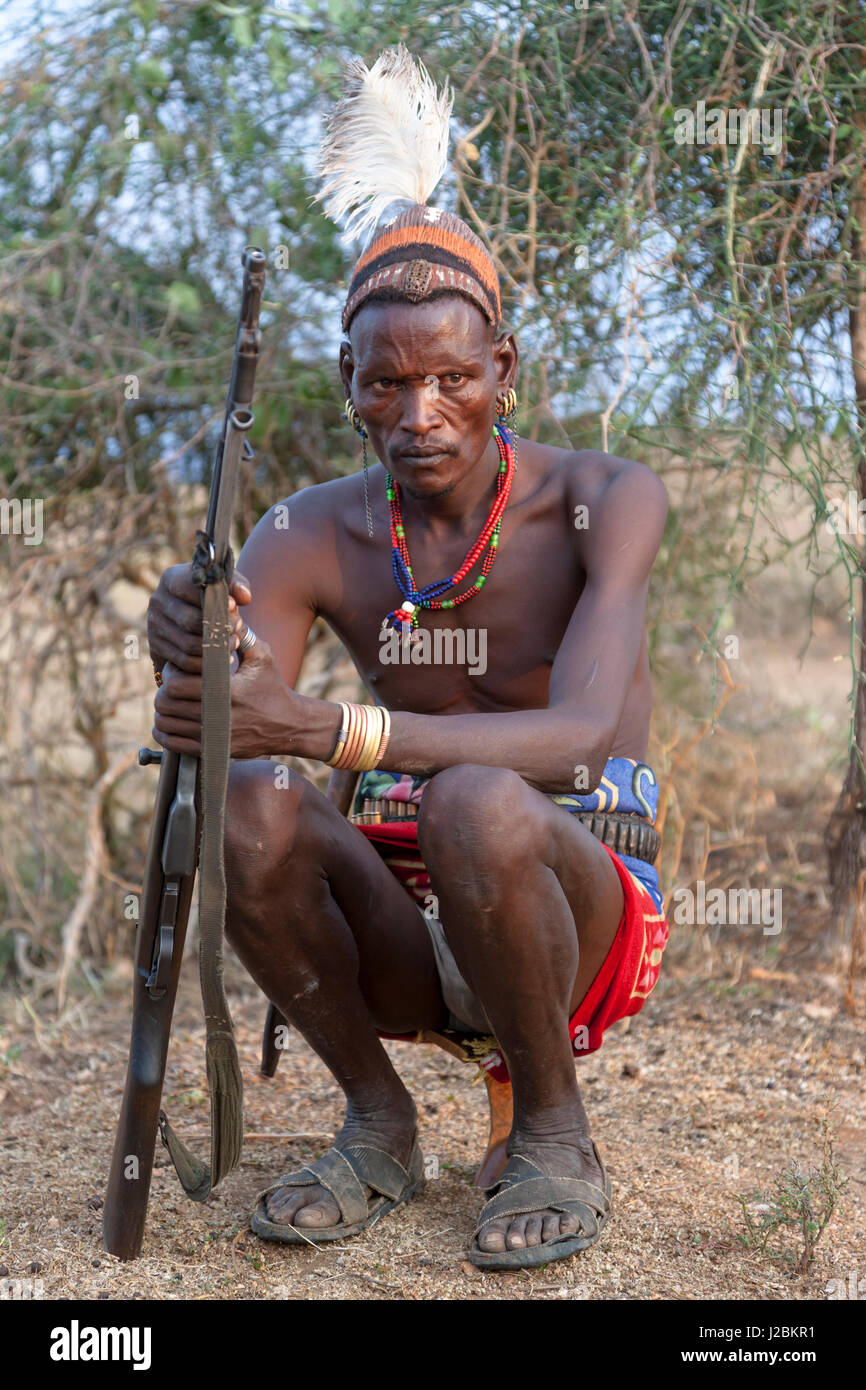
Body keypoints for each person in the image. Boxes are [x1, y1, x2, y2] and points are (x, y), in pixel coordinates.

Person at [146, 45, 670, 1271]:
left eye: (450, 377)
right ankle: (377, 1125)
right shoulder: (307, 529)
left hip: (574, 908)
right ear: (348, 385)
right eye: (388, 383)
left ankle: (551, 1133)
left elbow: (580, 733)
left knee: (481, 801)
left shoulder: (606, 497)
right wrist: (182, 630)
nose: (420, 412)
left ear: (503, 371)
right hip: (397, 911)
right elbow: (233, 706)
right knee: (239, 808)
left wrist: (334, 729)